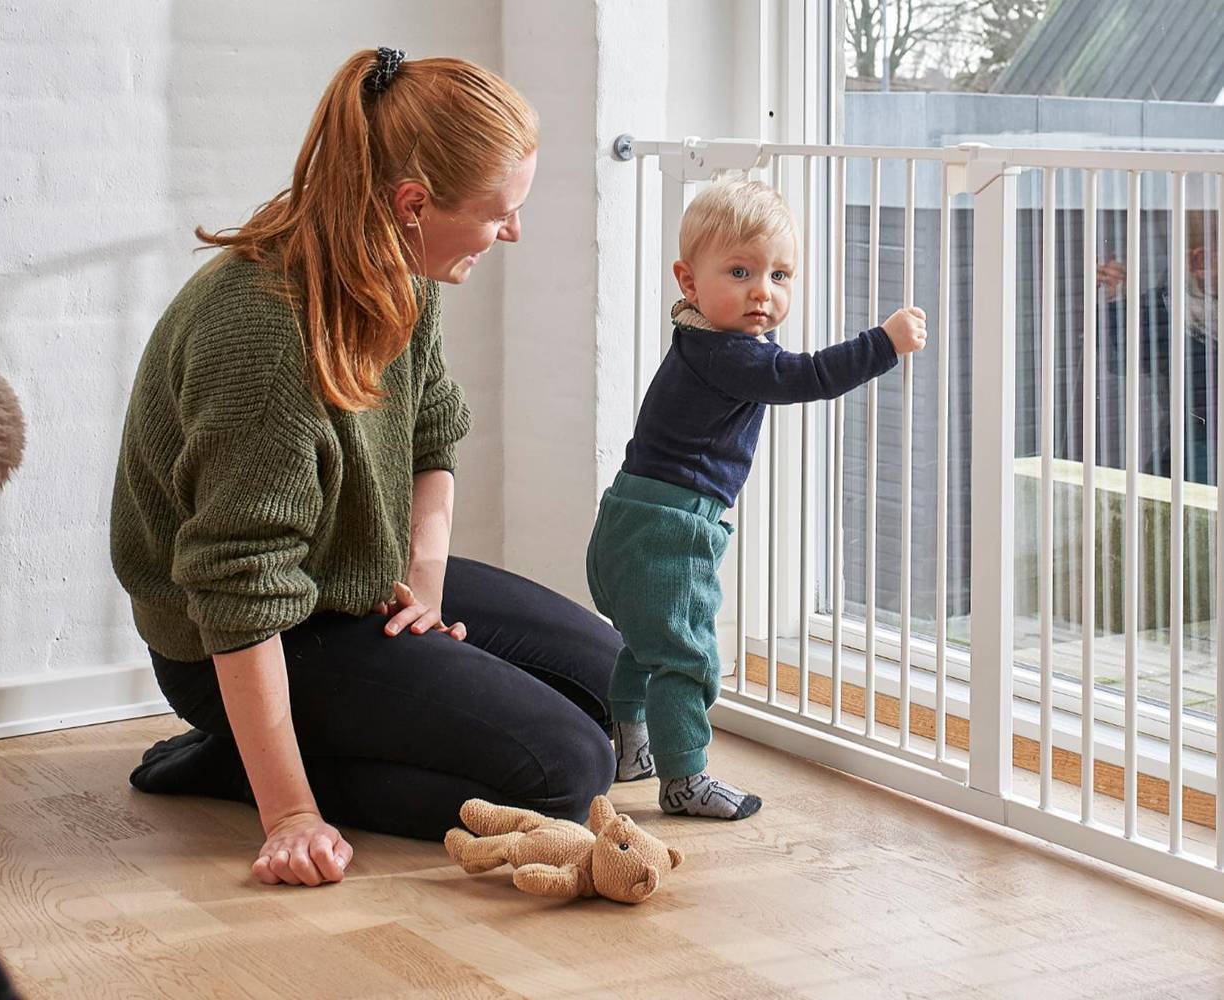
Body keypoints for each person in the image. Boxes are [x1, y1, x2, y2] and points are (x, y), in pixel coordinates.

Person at [110, 48, 617, 888]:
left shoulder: (403, 269)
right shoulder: (266, 335)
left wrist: (425, 588)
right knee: (569, 771)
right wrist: (291, 816)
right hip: (239, 640)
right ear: (413, 204)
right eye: (501, 214)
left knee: (620, 690)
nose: (514, 233)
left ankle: (302, 744)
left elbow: (432, 434)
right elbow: (238, 585)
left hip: (353, 581)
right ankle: (240, 761)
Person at [586, 179, 927, 819]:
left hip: (627, 517)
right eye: (740, 272)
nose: (762, 292)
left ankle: (631, 747)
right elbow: (806, 376)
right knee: (687, 656)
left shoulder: (695, 340)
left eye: (779, 275)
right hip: (668, 529)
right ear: (688, 282)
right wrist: (883, 343)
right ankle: (684, 780)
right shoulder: (727, 354)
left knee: (644, 644)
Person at [1097, 209, 1219, 485]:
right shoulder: (1162, 307)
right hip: (1199, 447)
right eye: (1201, 255)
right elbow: (1123, 362)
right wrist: (1117, 297)